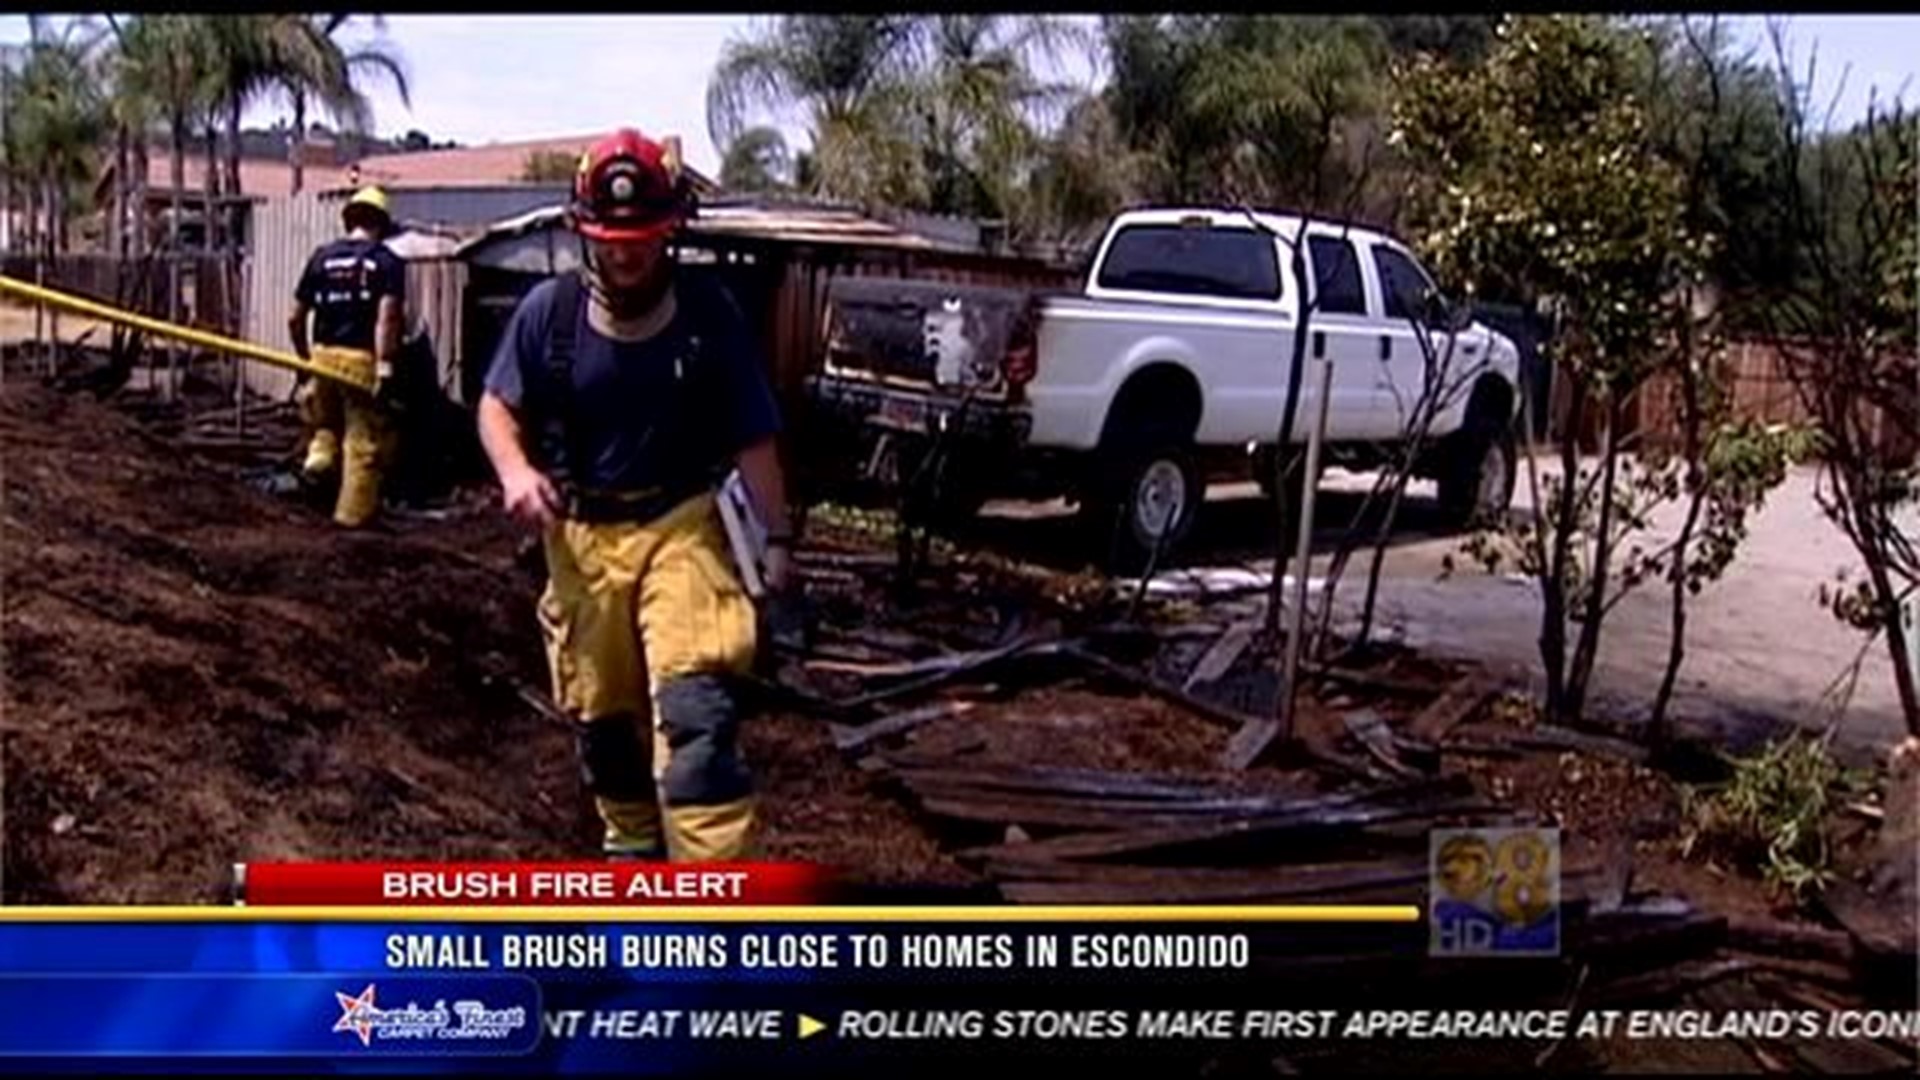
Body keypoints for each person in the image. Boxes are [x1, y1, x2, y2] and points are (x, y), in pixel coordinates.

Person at [477, 128, 794, 862]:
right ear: (585, 232)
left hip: (683, 524)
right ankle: (634, 863)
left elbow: (754, 437)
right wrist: (516, 474)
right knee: (606, 723)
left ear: (670, 231)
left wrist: (777, 542)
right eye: (611, 238)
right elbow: (497, 408)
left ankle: (712, 905)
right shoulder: (548, 315)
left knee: (696, 716)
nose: (627, 252)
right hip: (583, 541)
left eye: (643, 238)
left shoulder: (708, 316)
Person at [288, 185, 408, 527]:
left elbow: (294, 318)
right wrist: (385, 366)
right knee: (363, 442)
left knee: (324, 425)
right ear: (382, 223)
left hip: (322, 357)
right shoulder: (387, 262)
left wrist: (304, 362)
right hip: (360, 362)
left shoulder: (321, 257)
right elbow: (388, 318)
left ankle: (317, 470)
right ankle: (350, 523)